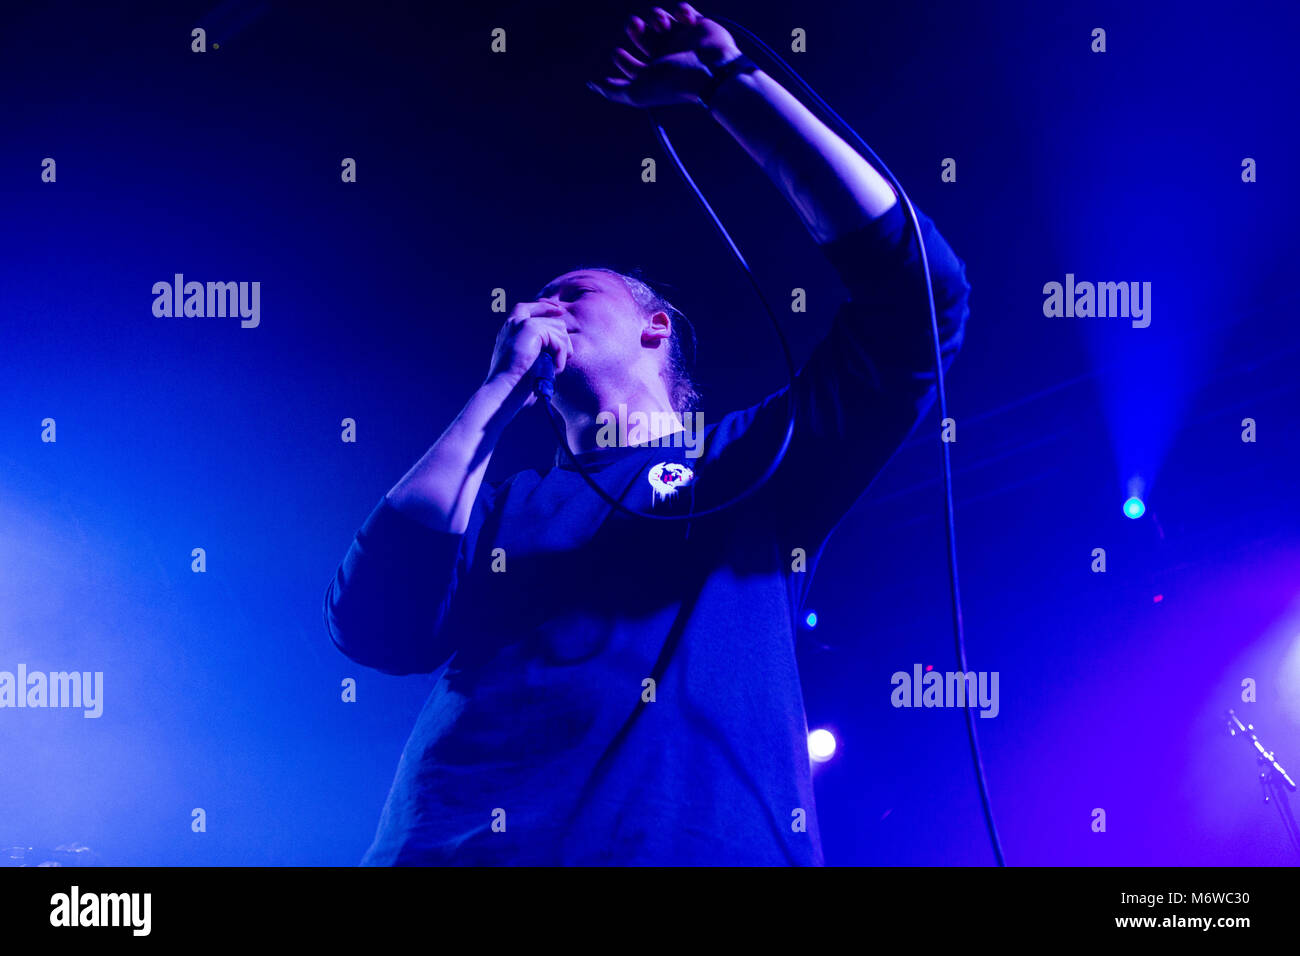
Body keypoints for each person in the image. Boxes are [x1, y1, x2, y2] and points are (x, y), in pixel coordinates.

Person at [323, 3, 971, 865]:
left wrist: (731, 86)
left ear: (655, 327)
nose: (543, 308)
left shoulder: (752, 460)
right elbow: (377, 625)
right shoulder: (502, 503)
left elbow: (919, 296)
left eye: (574, 292)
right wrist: (496, 390)